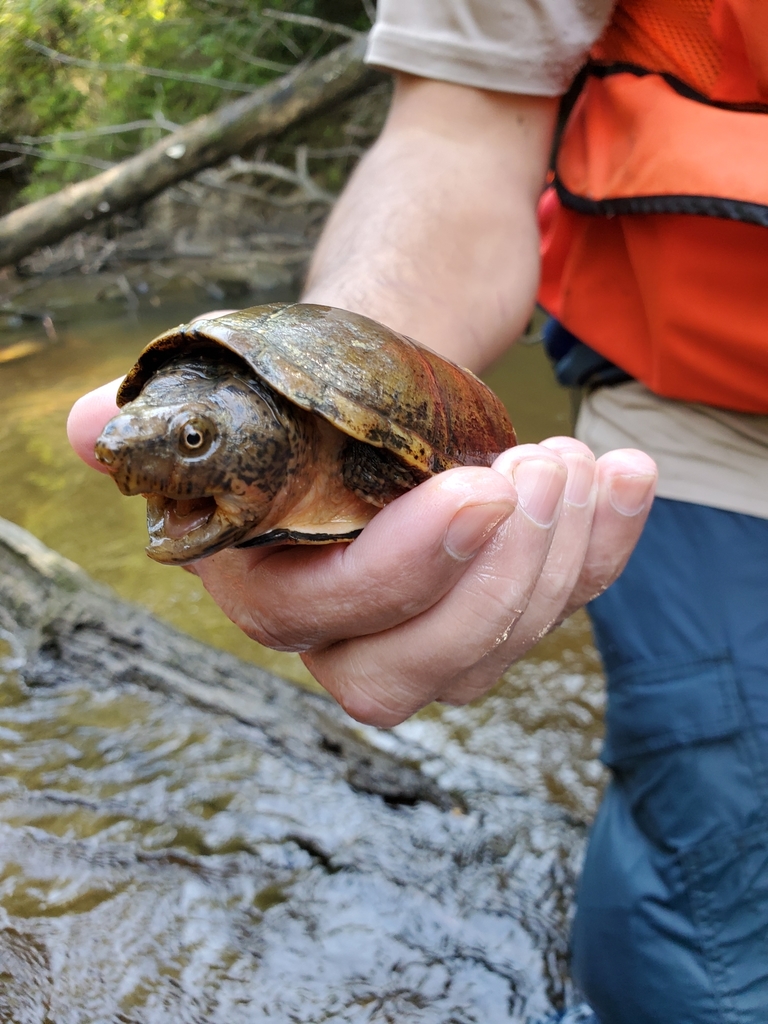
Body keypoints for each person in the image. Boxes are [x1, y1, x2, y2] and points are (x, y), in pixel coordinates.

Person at [67, 1, 768, 1021]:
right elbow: (460, 128)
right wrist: (360, 365)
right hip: (708, 437)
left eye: (190, 444)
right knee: (711, 884)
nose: (155, 459)